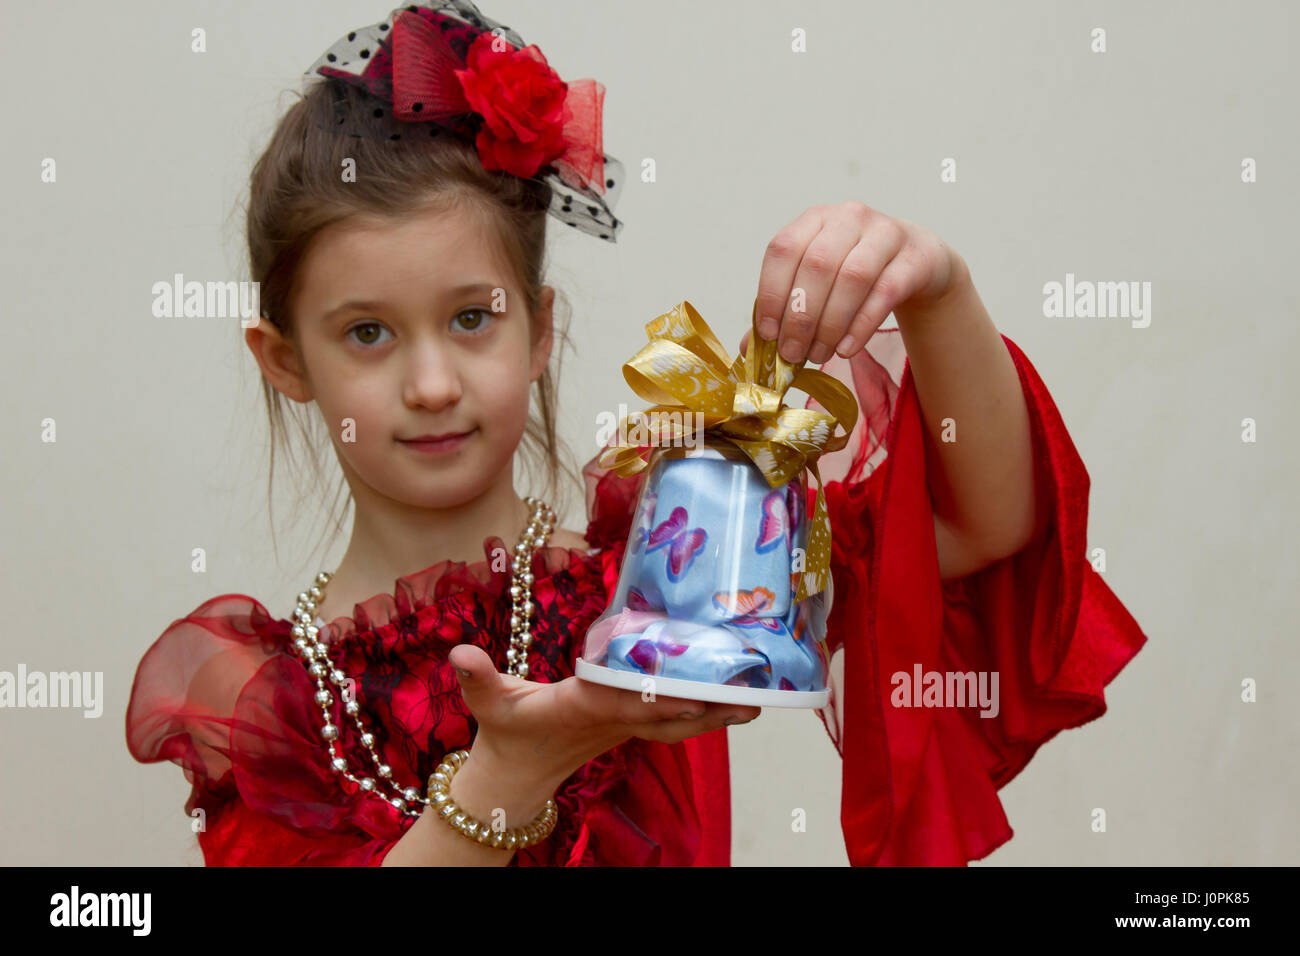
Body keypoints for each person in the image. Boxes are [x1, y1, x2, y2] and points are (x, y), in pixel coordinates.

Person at [125, 0, 1147, 866]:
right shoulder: (271, 710)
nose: (432, 382)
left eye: (472, 317)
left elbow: (983, 524)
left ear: (539, 330)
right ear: (286, 361)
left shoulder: (670, 569)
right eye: (367, 333)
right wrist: (513, 767)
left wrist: (936, 287)